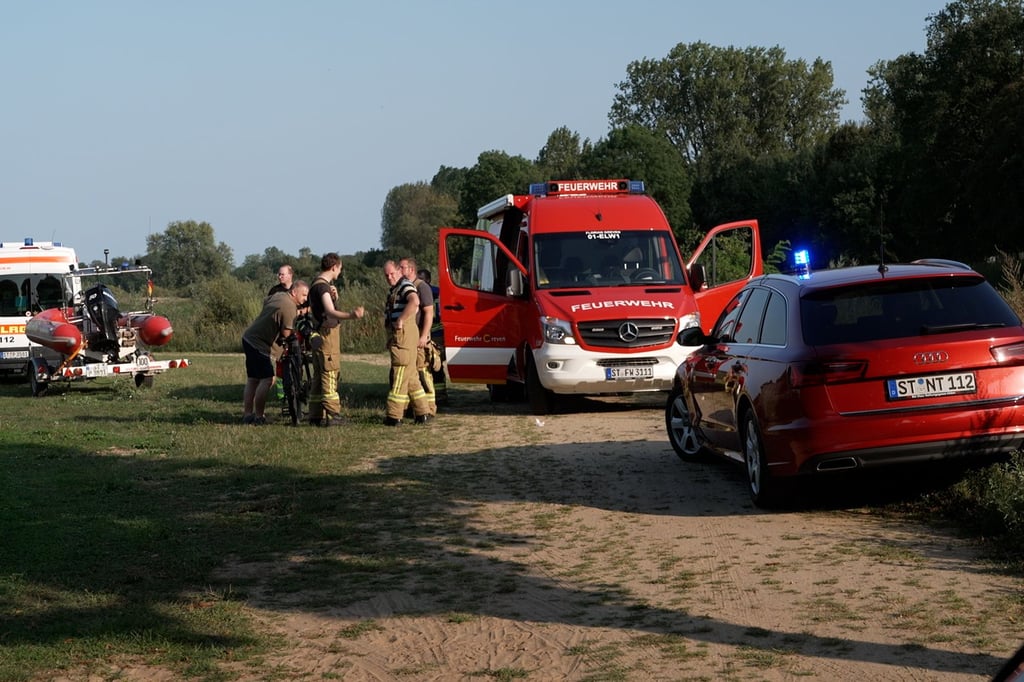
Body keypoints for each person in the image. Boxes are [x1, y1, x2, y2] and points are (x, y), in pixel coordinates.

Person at [307, 253, 365, 427]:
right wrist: (351, 315)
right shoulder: (323, 287)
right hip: (327, 335)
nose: (340, 272)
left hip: (319, 332)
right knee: (330, 373)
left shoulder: (316, 284)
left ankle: (315, 415)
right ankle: (333, 415)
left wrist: (335, 297)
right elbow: (330, 311)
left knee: (319, 375)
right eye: (339, 269)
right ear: (334, 267)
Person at [241, 280, 310, 425]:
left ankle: (247, 414)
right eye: (303, 295)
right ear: (294, 292)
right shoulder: (289, 306)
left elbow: (267, 302)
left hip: (248, 337)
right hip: (258, 343)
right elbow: (286, 334)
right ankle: (259, 417)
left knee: (253, 379)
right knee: (267, 379)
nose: (305, 299)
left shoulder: (279, 295)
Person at [384, 260, 430, 426]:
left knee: (400, 373)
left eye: (392, 274)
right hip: (401, 336)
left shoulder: (404, 285)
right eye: (386, 275)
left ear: (399, 271)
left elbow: (415, 301)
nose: (389, 277)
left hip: (404, 334)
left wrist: (401, 320)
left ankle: (394, 416)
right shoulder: (397, 288)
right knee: (411, 376)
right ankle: (422, 412)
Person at [399, 257, 436, 416]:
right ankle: (411, 408)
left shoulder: (422, 287)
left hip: (419, 338)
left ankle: (429, 408)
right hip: (408, 338)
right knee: (410, 372)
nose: (399, 271)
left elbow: (429, 312)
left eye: (402, 268)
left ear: (411, 270)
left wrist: (424, 336)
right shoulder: (404, 287)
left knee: (423, 373)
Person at [417, 266, 448, 405]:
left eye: (422, 279)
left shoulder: (419, 292)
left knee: (429, 365)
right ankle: (440, 395)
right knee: (437, 366)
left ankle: (434, 395)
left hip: (432, 335)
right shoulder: (440, 292)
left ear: (428, 280)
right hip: (437, 334)